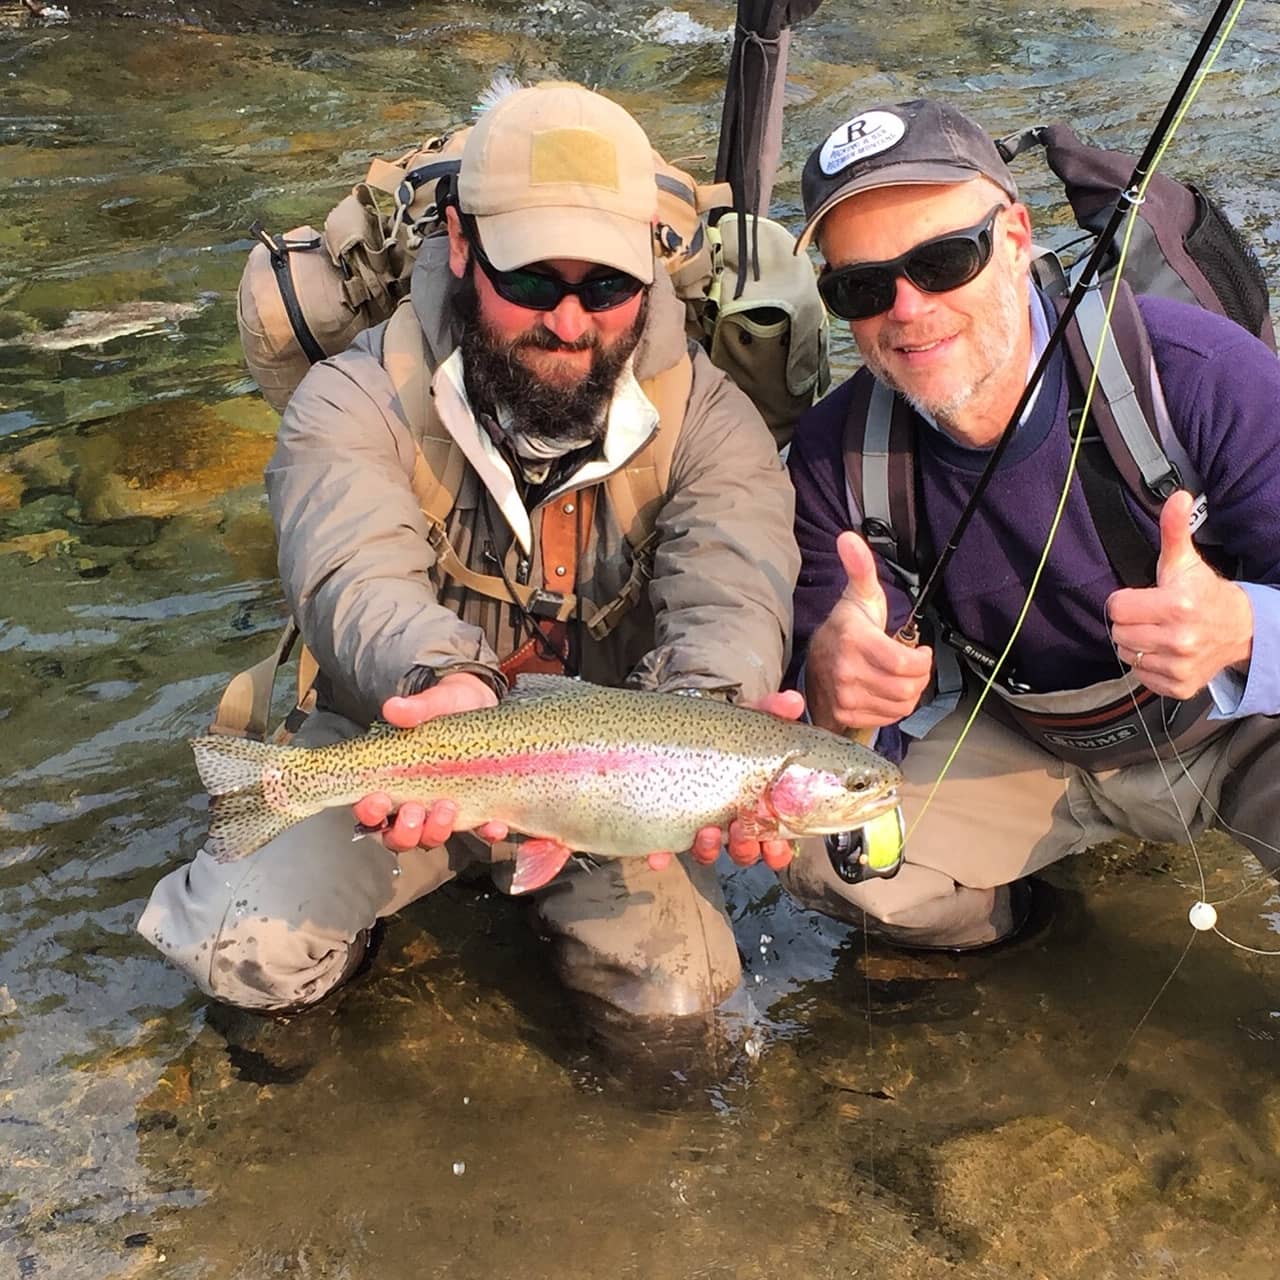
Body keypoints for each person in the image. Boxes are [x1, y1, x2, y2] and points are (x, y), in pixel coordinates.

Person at [137, 82, 801, 1061]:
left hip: (602, 771)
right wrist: (436, 678)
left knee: (677, 1008)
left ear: (650, 277)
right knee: (242, 950)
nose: (570, 321)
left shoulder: (713, 426)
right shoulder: (351, 398)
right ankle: (352, 958)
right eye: (533, 280)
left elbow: (730, 595)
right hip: (398, 742)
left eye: (606, 286)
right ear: (460, 241)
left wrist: (715, 719)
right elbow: (348, 570)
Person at [776, 96, 1280, 950]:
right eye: (861, 286)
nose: (905, 307)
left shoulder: (1199, 375)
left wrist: (1245, 630)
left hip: (1233, 735)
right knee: (830, 852)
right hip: (1028, 745)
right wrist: (833, 695)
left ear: (1014, 237)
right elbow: (838, 727)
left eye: (943, 260)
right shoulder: (832, 459)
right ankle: (1031, 937)